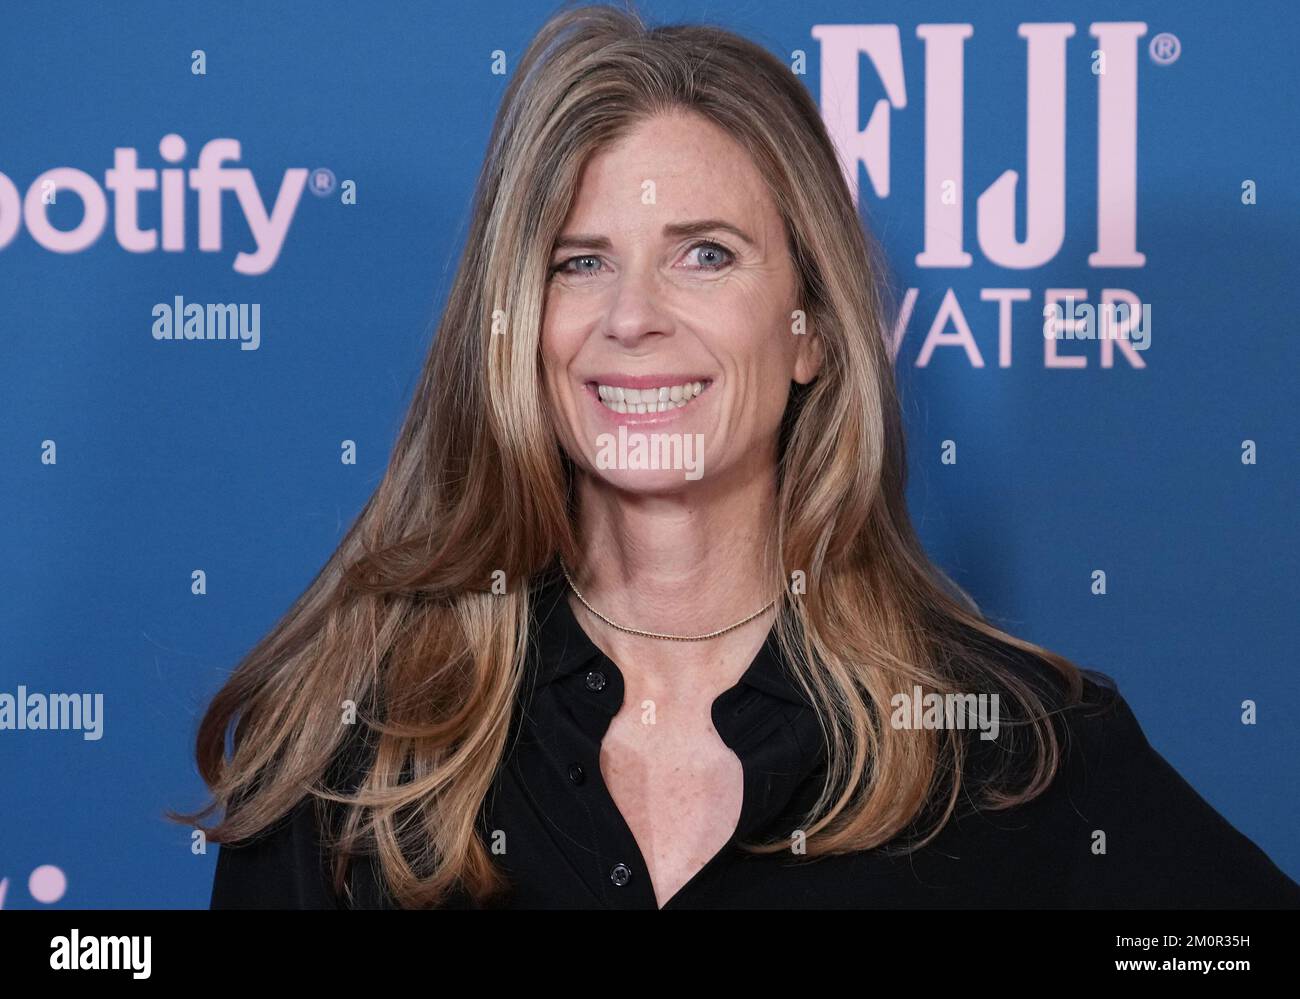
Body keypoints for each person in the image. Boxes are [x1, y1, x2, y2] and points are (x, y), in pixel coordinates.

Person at [176, 3, 1299, 909]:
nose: (633, 318)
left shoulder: (1020, 750)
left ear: (808, 327)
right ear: (516, 328)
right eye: (578, 263)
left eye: (704, 256)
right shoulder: (355, 754)